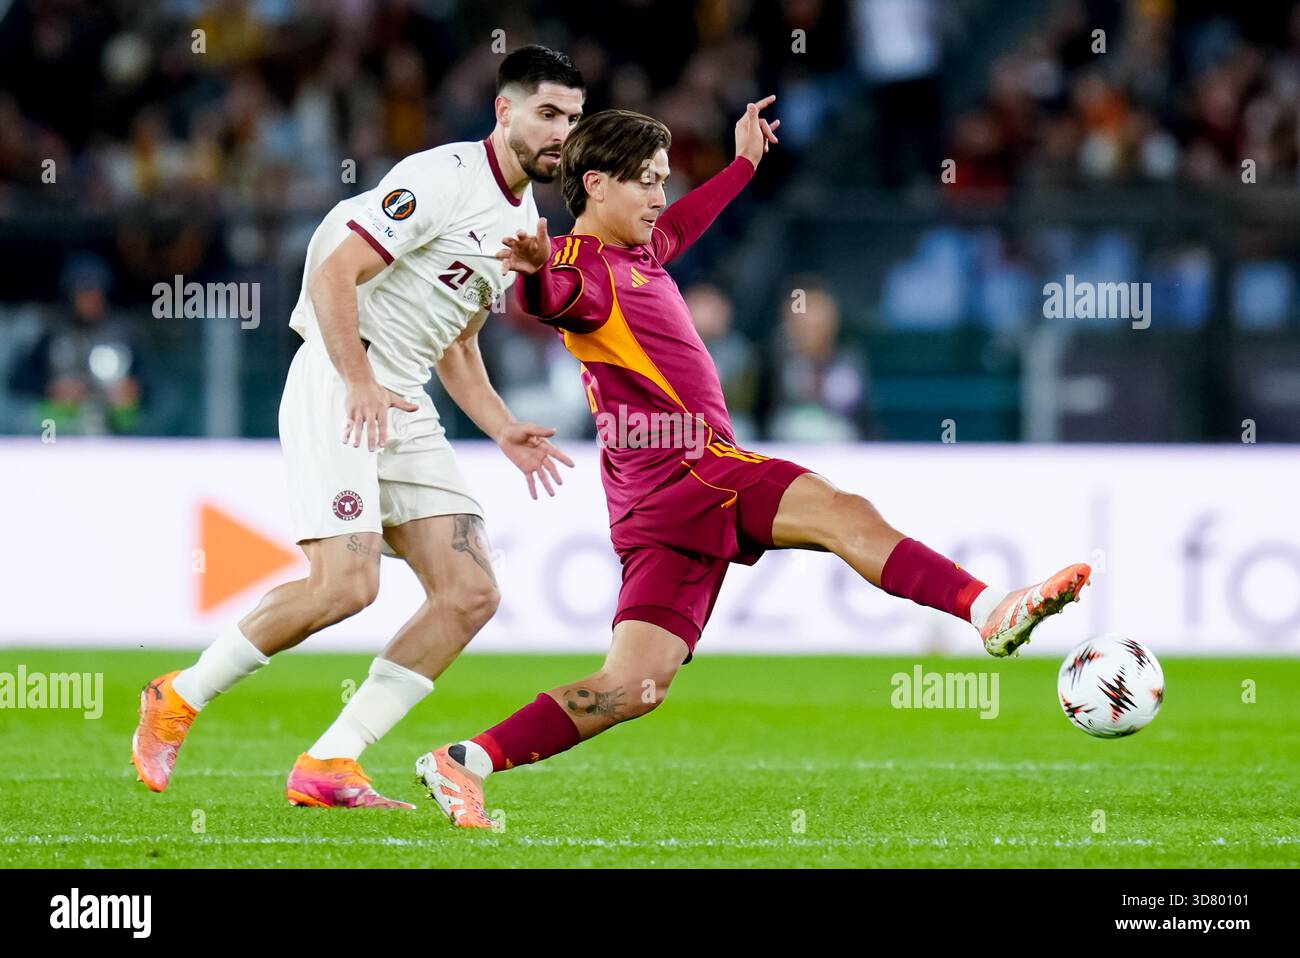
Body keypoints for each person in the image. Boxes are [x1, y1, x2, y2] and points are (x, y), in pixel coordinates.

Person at [414, 97, 1091, 827]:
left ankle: (466, 759)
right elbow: (557, 294)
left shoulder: (638, 252)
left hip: (650, 502)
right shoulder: (585, 269)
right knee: (838, 510)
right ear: (597, 185)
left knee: (636, 682)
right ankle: (989, 610)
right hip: (690, 469)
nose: (659, 195)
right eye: (644, 179)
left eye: (663, 178)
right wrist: (536, 273)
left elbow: (680, 226)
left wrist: (742, 165)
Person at [131, 46, 585, 808]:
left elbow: (461, 343)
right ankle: (177, 695)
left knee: (470, 592)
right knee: (346, 585)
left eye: (571, 120)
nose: (560, 134)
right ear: (504, 111)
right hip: (343, 382)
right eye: (546, 114)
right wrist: (360, 381)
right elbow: (332, 274)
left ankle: (331, 762)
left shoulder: (522, 221)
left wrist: (503, 427)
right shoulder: (442, 177)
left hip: (400, 398)